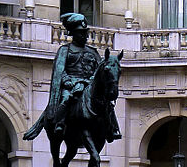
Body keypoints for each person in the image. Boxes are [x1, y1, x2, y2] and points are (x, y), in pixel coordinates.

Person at [23, 13, 121, 142]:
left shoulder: (92, 52)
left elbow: (99, 71)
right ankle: (60, 123)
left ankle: (113, 128)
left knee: (107, 103)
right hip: (71, 84)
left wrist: (92, 80)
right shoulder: (65, 50)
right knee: (65, 98)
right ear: (73, 34)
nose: (84, 36)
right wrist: (67, 80)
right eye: (81, 33)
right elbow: (59, 71)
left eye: (85, 33)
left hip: (89, 84)